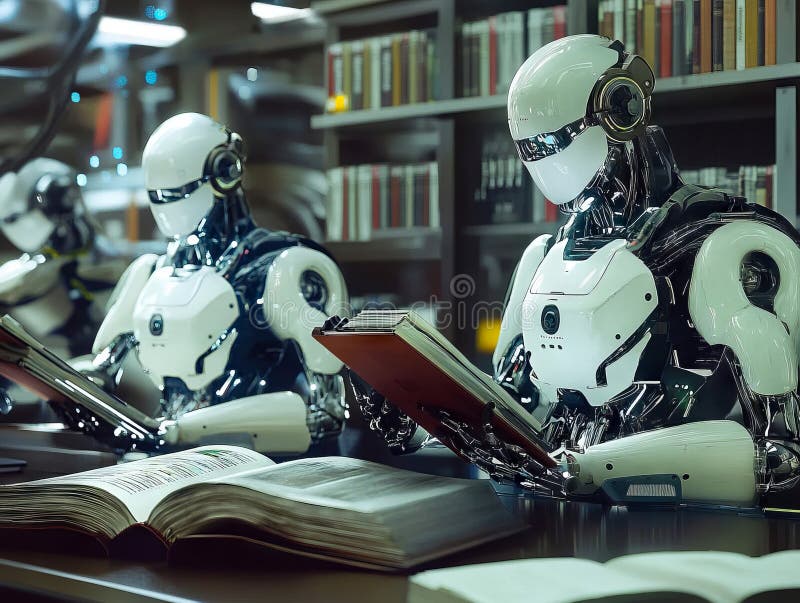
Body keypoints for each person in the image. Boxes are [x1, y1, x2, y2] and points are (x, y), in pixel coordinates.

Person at [354, 35, 800, 507]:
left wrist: (596, 469)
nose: (540, 160)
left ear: (618, 111)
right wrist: (422, 419)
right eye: (528, 149)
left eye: (549, 143)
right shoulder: (545, 255)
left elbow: (781, 459)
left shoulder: (719, 246)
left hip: (677, 521)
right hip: (549, 515)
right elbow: (516, 411)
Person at [57, 113, 350, 456]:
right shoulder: (151, 272)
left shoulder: (286, 269)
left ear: (225, 172)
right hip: (161, 462)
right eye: (157, 196)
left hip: (260, 466)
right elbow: (100, 370)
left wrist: (194, 430)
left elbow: (327, 415)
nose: (164, 206)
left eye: (174, 194)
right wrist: (54, 383)